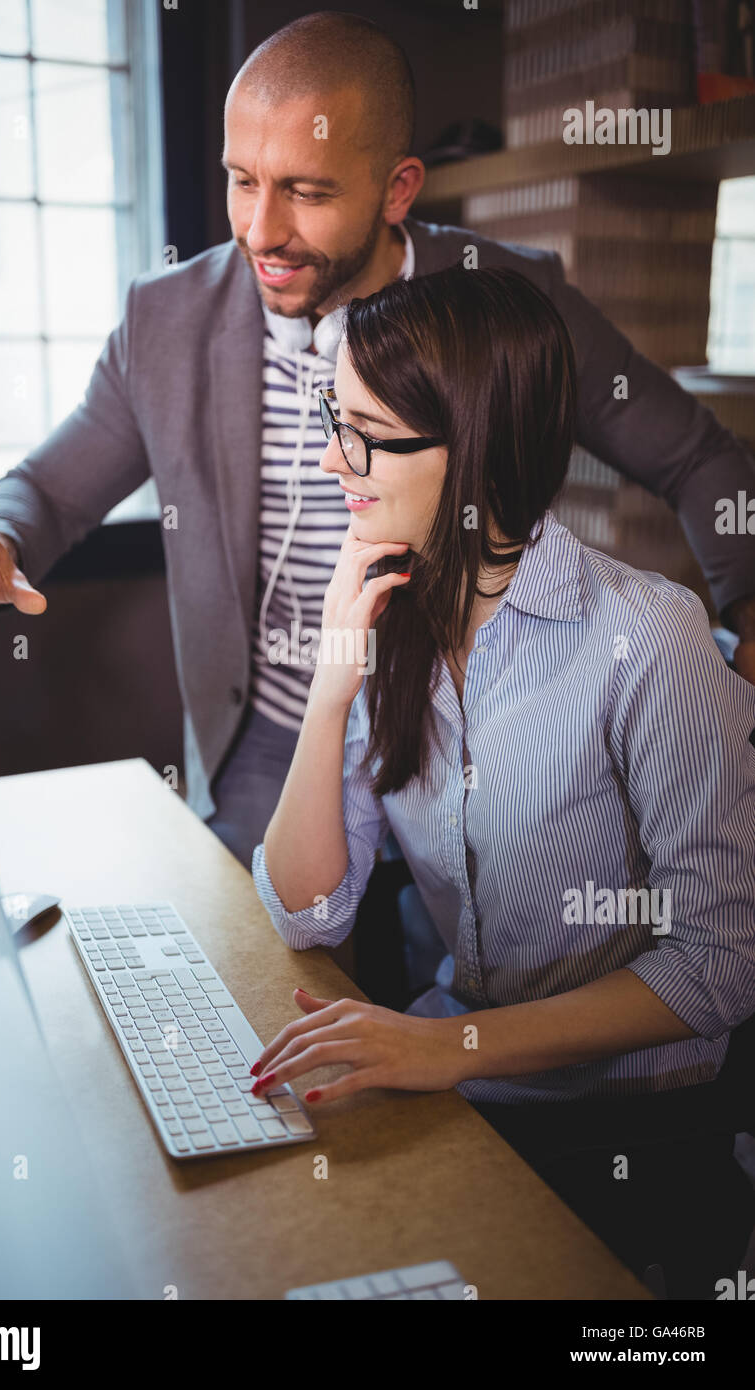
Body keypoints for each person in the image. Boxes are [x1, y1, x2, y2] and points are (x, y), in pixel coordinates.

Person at [0, 12, 755, 881]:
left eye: (307, 193)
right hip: (270, 739)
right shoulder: (165, 319)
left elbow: (696, 454)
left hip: (470, 733)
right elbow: (53, 489)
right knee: (258, 997)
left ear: (398, 189)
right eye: (243, 181)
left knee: (459, 998)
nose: (260, 231)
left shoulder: (507, 298)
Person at [250, 264, 755, 1299]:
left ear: (469, 449)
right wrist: (330, 689)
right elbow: (307, 910)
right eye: (328, 418)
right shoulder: (388, 610)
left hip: (626, 1121)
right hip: (465, 1086)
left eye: (362, 433)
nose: (331, 457)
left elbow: (718, 965)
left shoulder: (644, 637)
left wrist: (450, 1044)